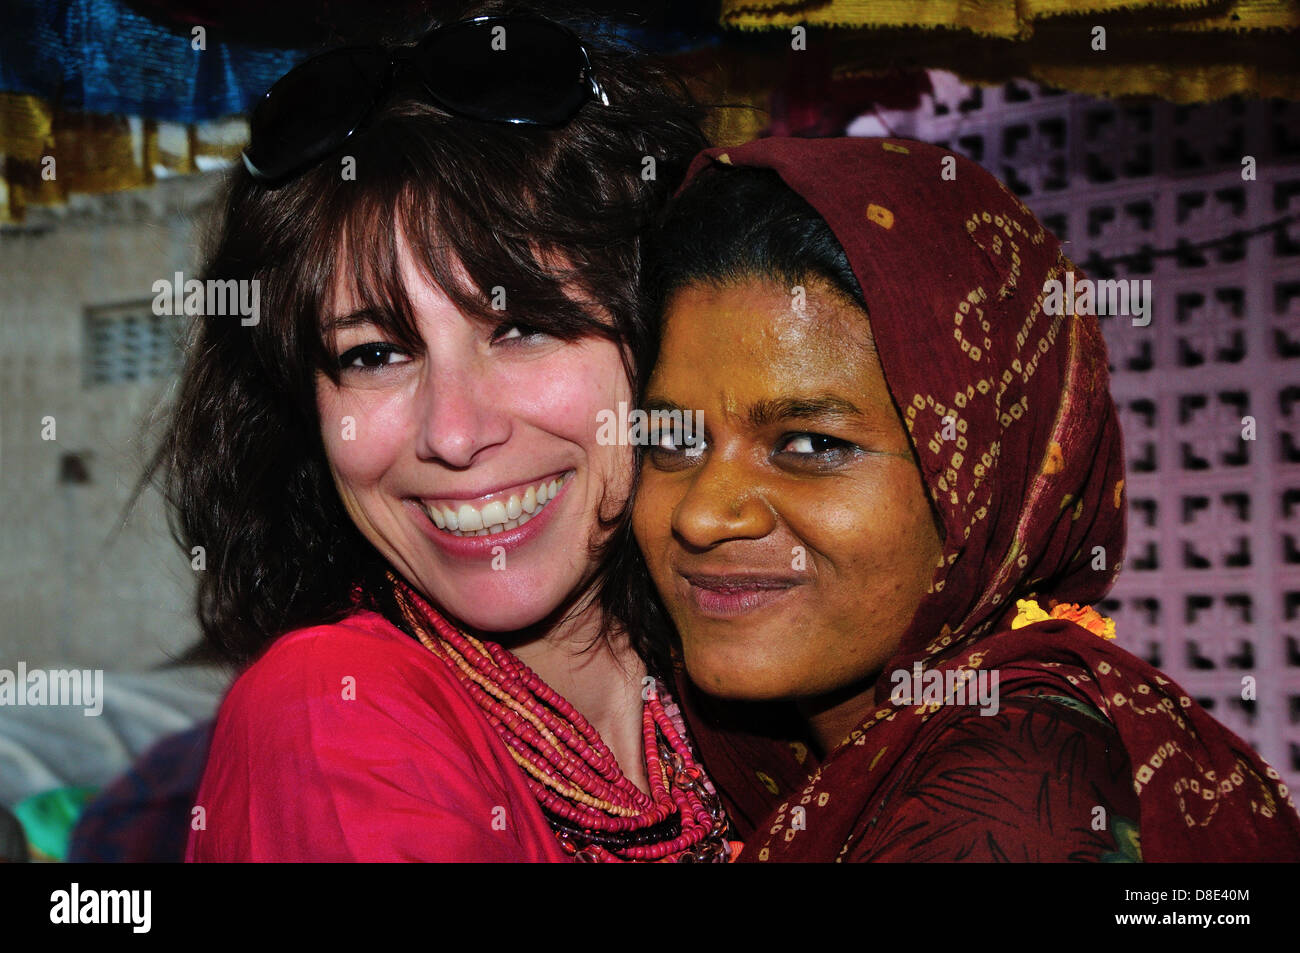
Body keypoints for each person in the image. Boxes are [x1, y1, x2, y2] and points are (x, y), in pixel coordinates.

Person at [155, 4, 734, 861]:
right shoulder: (330, 713)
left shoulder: (755, 685)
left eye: (522, 326)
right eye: (377, 352)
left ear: (660, 334)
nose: (454, 434)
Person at [631, 135, 1300, 862]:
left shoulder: (1012, 803)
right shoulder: (778, 763)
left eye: (813, 445)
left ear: (986, 480)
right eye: (675, 441)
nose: (699, 513)